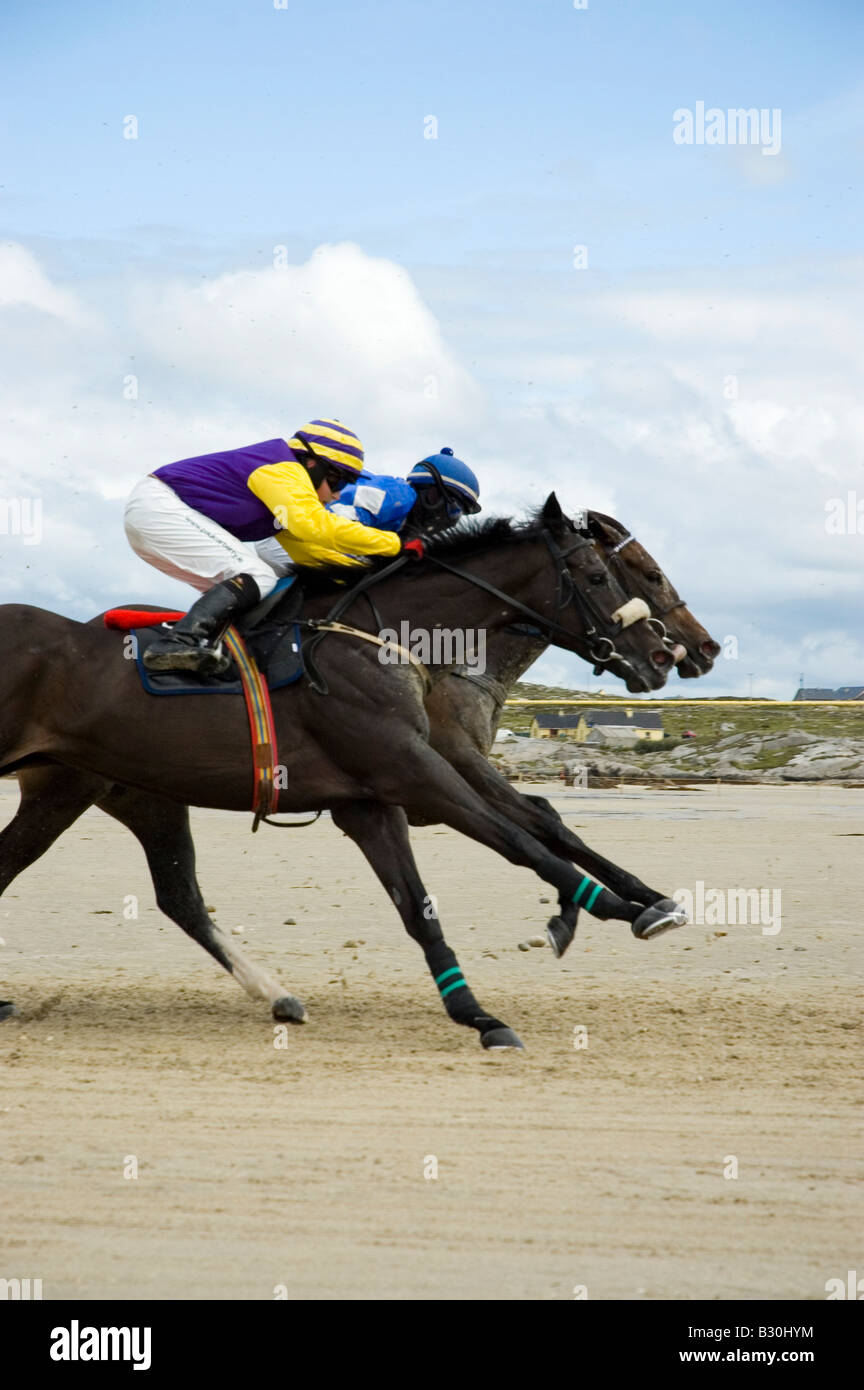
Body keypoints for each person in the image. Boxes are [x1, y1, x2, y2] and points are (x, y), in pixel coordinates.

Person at [124, 419, 407, 674]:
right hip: (159, 507)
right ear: (312, 464)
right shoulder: (283, 470)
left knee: (258, 587)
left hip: (157, 514)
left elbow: (308, 551)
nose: (335, 495)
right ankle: (177, 642)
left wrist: (368, 570)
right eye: (338, 480)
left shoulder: (285, 491)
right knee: (258, 574)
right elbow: (315, 526)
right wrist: (396, 544)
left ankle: (209, 646)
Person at [254, 446, 481, 575]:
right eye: (451, 506)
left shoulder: (404, 520)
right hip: (283, 538)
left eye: (459, 513)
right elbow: (335, 529)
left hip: (302, 540)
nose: (450, 517)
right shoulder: (397, 496)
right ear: (428, 493)